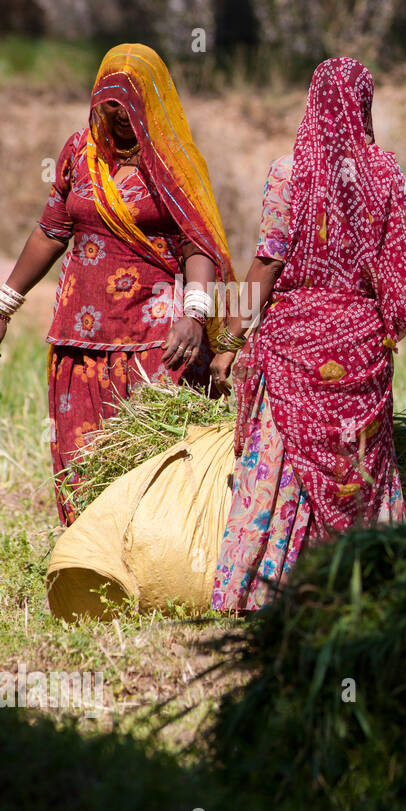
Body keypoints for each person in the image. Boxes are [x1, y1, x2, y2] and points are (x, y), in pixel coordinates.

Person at [209, 56, 406, 612]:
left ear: (313, 103)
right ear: (365, 104)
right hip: (360, 342)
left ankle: (265, 587)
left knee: (280, 462)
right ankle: (366, 582)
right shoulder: (388, 175)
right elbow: (403, 269)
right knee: (358, 463)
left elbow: (267, 264)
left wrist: (233, 337)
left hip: (291, 342)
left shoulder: (289, 172)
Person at [0, 43, 234, 524]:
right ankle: (90, 562)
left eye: (130, 105)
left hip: (157, 341)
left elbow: (198, 244)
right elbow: (50, 231)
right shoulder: (78, 152)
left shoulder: (174, 160)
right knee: (86, 463)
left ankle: (161, 569)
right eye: (110, 106)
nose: (120, 117)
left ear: (151, 100)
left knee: (159, 460)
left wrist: (194, 315)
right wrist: (6, 303)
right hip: (80, 338)